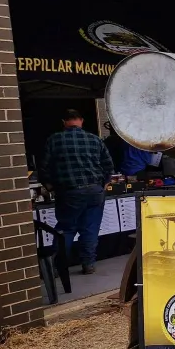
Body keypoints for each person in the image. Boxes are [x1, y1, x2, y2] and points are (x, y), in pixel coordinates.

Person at [37, 109, 114, 274]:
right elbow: (109, 166)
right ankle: (88, 264)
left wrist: (49, 186)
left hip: (68, 192)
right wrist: (104, 184)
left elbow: (43, 167)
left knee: (66, 228)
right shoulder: (95, 139)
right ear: (81, 121)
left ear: (64, 122)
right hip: (95, 191)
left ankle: (58, 266)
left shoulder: (54, 140)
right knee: (90, 229)